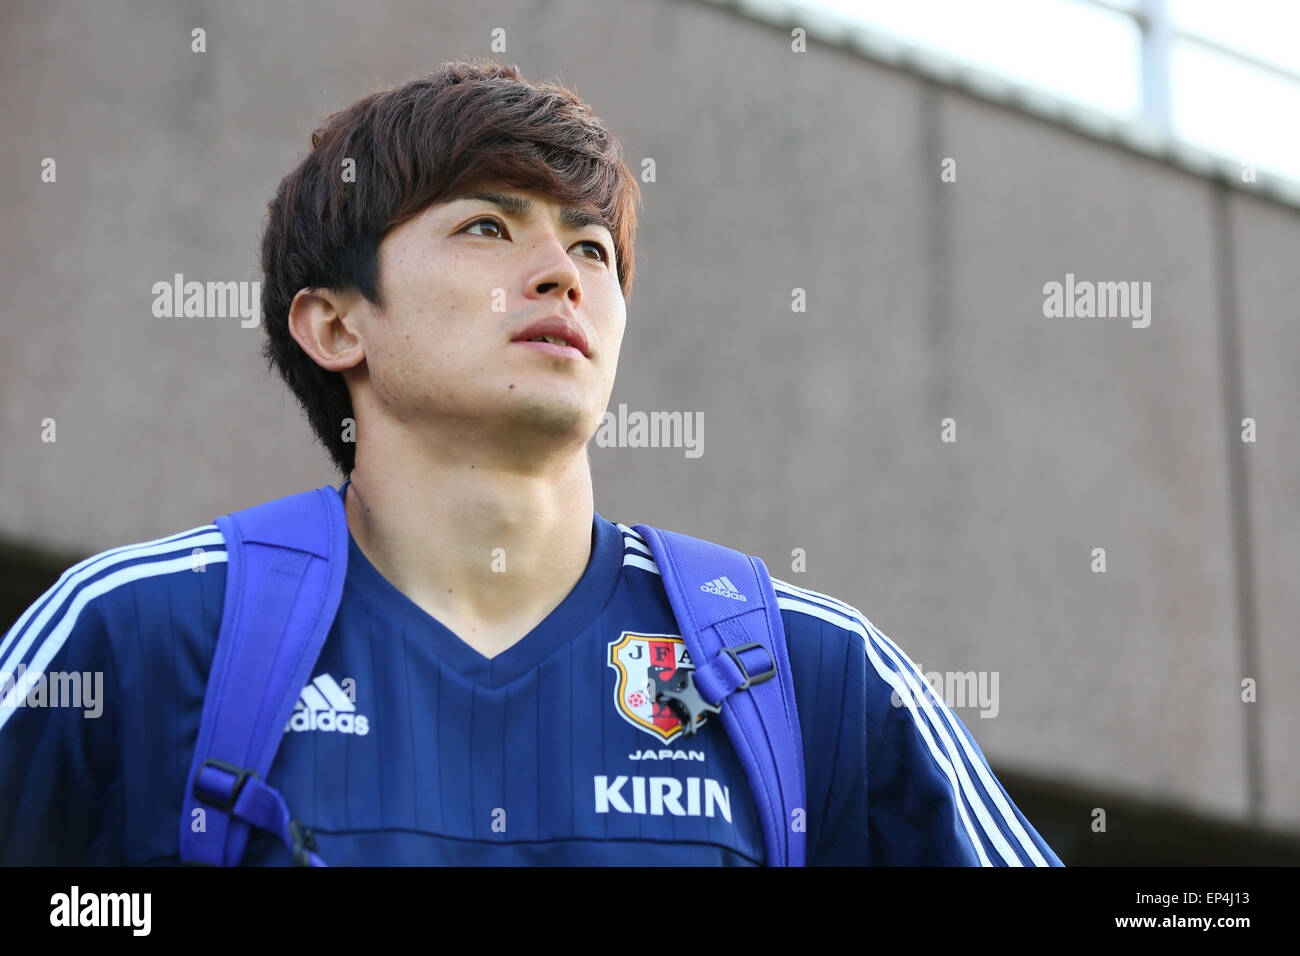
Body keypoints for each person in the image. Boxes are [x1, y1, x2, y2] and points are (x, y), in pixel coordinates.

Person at [0, 60, 1062, 866]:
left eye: (592, 248)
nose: (561, 274)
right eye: (487, 227)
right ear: (333, 324)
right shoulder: (142, 633)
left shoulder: (812, 673)